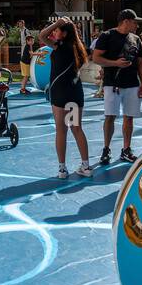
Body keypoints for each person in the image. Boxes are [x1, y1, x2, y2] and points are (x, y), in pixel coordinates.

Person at [39, 17, 91, 178]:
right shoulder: (78, 48)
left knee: (61, 130)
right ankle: (86, 166)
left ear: (65, 32)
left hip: (60, 93)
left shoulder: (58, 46)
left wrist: (56, 22)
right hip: (74, 93)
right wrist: (59, 25)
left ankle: (62, 169)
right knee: (76, 128)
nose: (54, 32)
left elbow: (41, 36)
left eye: (57, 30)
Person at [93, 8, 142, 165]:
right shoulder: (107, 36)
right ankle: (106, 149)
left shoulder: (136, 39)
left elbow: (141, 62)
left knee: (129, 118)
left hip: (132, 84)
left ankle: (126, 149)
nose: (137, 25)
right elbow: (96, 57)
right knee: (110, 116)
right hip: (112, 84)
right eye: (135, 22)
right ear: (126, 21)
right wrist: (115, 63)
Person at [13, 18, 33, 94]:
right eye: (19, 24)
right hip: (23, 47)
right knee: (24, 61)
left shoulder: (25, 31)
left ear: (23, 24)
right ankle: (23, 87)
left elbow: (29, 40)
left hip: (26, 47)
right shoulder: (21, 31)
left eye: (20, 24)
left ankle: (23, 86)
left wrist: (30, 49)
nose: (19, 25)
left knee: (25, 60)